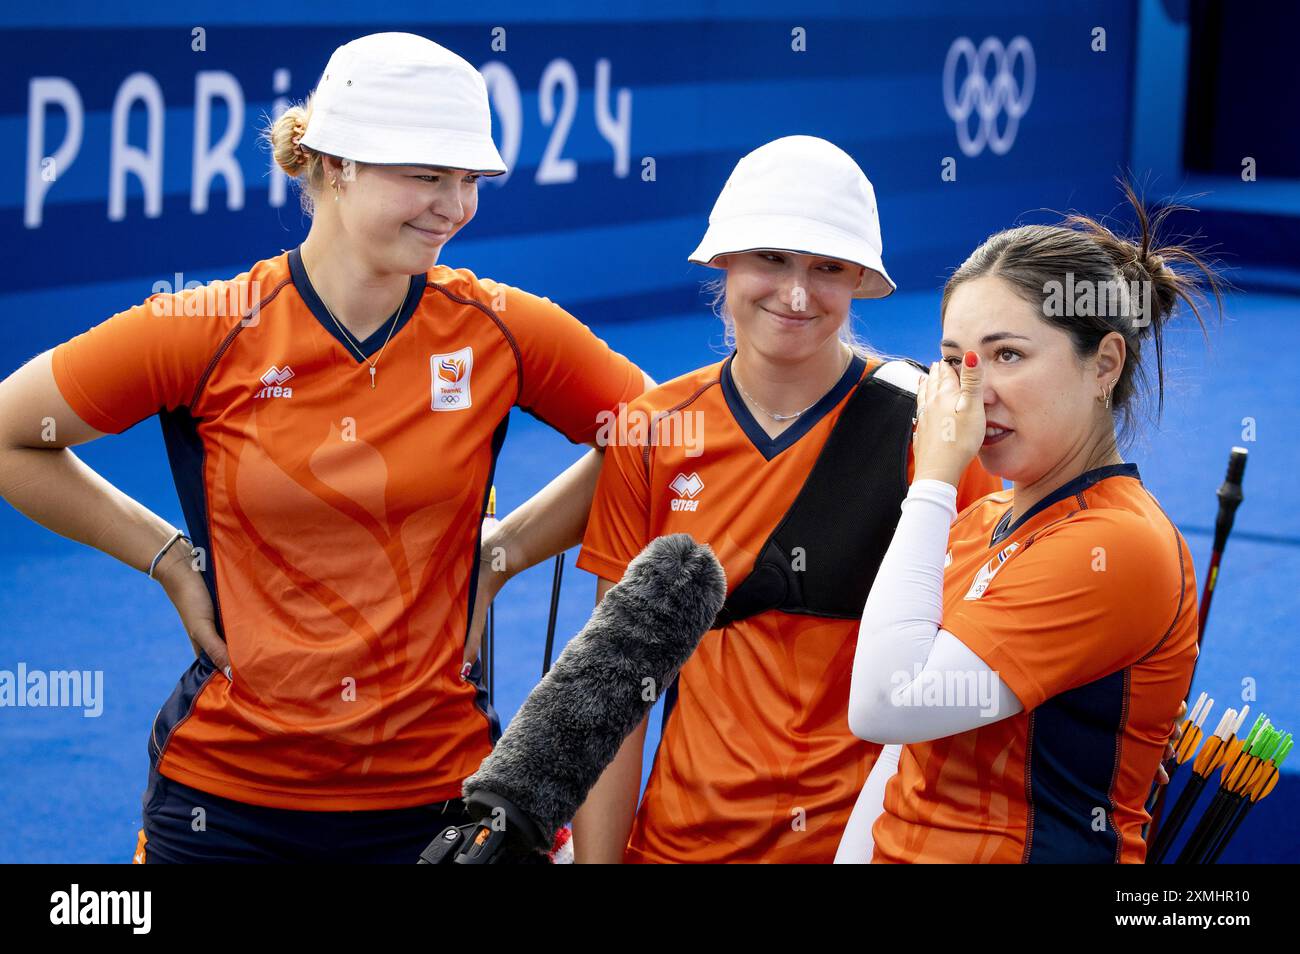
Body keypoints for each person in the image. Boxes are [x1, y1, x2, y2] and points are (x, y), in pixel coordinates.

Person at [0, 32, 650, 863]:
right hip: (223, 805)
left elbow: (657, 440)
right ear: (335, 166)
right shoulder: (207, 326)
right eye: (426, 175)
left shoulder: (500, 328)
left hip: (439, 799)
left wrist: (506, 551)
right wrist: (165, 557)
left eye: (470, 180)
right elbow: (13, 432)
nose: (454, 205)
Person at [570, 136, 1002, 863]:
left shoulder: (934, 430)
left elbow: (968, 681)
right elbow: (616, 694)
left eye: (827, 269)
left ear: (860, 279)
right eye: (771, 259)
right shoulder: (651, 430)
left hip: (864, 849)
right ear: (724, 262)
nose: (797, 293)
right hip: (676, 847)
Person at [841, 187, 1217, 863]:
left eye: (1009, 354)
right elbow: (902, 756)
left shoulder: (1117, 545)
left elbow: (884, 705)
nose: (973, 391)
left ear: (1103, 364)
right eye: (957, 361)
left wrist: (931, 481)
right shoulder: (982, 518)